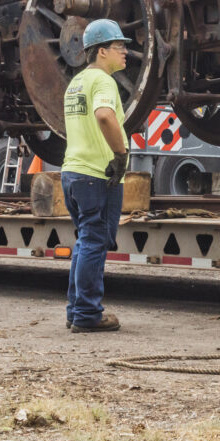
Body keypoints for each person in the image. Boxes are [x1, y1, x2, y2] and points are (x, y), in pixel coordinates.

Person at [61, 18, 132, 333]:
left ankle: (76, 311)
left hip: (72, 172)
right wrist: (120, 155)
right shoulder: (103, 81)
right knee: (94, 241)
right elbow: (104, 115)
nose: (125, 52)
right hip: (96, 175)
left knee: (84, 241)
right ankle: (88, 315)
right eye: (119, 47)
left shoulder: (76, 82)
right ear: (101, 51)